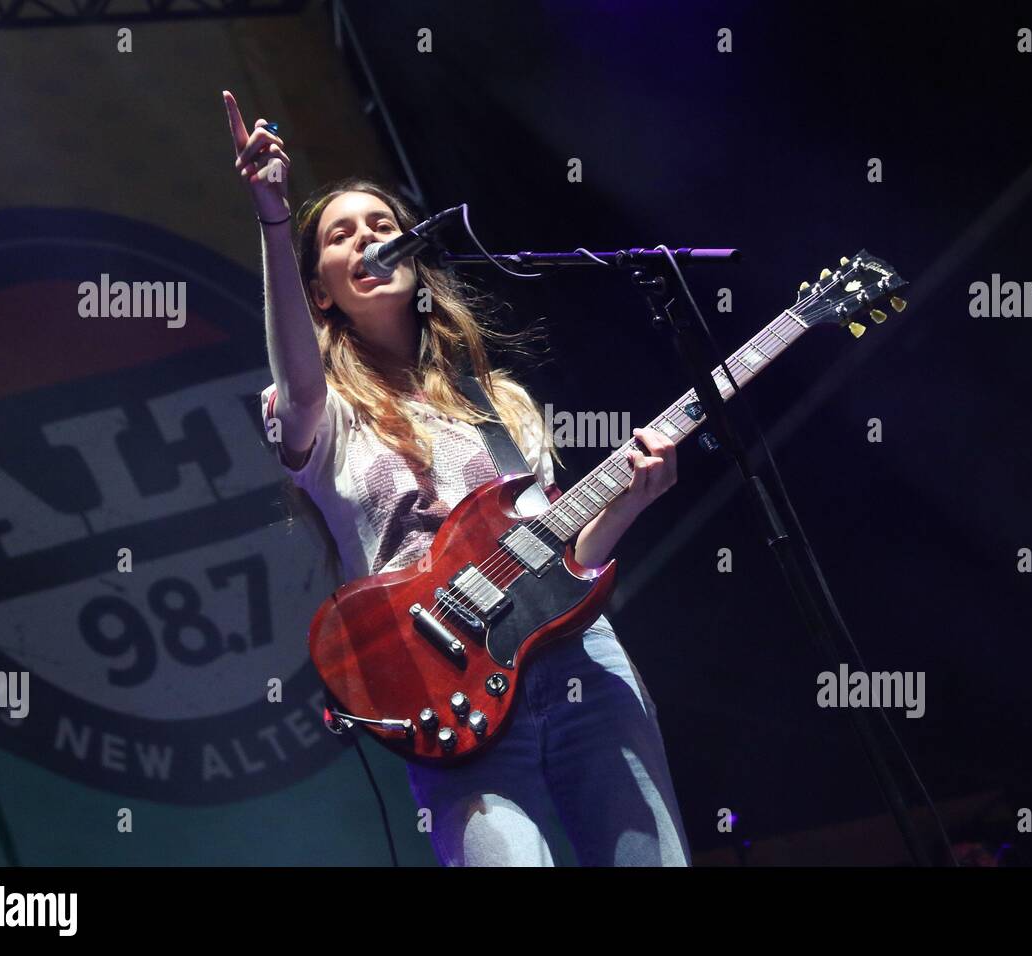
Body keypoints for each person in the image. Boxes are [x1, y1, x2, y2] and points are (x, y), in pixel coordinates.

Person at [223, 91, 691, 866]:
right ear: (320, 291)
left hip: (576, 659)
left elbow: (566, 549)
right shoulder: (318, 407)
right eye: (342, 236)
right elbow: (301, 384)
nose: (369, 239)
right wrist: (274, 217)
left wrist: (635, 498)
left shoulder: (498, 401)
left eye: (380, 225)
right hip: (438, 689)